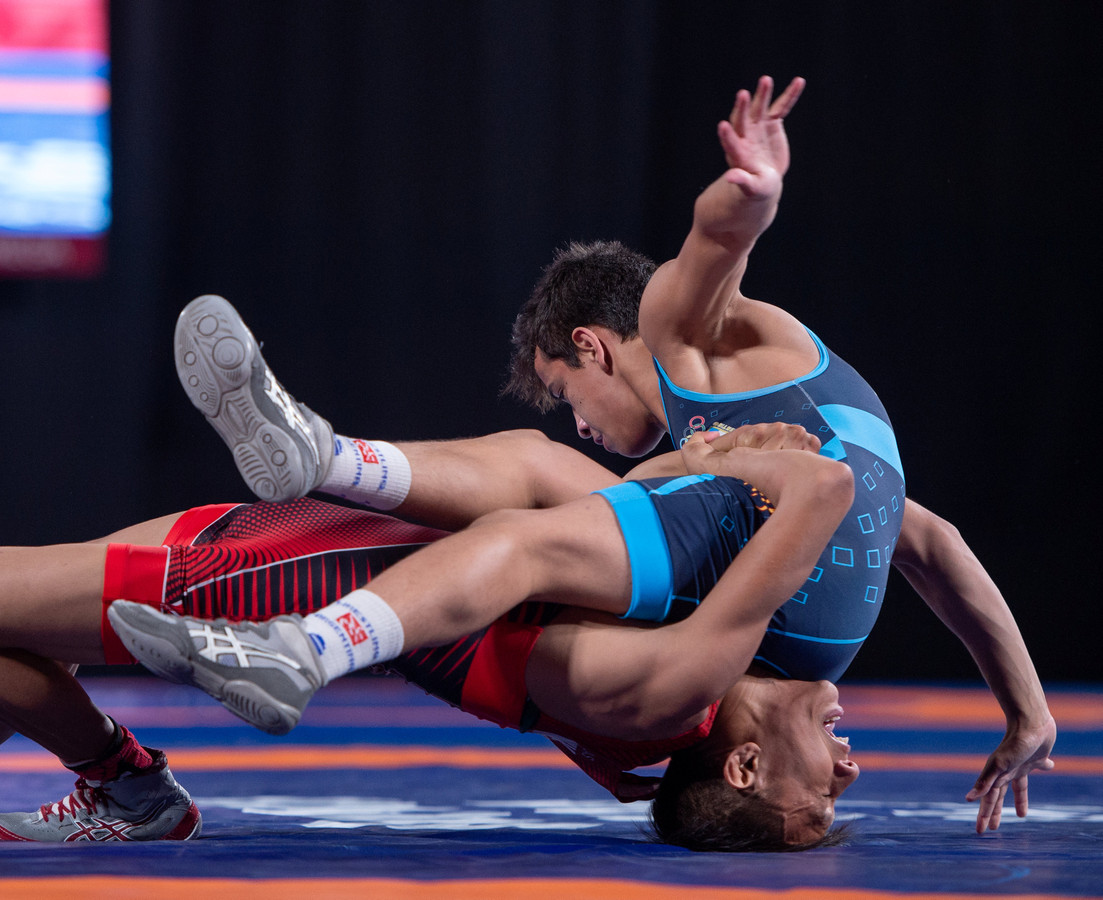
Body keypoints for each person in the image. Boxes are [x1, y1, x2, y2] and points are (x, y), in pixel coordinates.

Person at [155, 75, 1054, 833]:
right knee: (563, 477)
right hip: (759, 632)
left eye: (567, 393)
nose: (580, 420)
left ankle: (326, 483)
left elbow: (716, 244)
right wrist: (1026, 709)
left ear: (590, 346)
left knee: (543, 477)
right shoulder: (735, 419)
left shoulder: (683, 337)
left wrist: (753, 190)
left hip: (748, 635)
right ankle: (323, 470)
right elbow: (931, 543)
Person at [0, 426, 858, 850]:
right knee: (33, 620)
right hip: (312, 546)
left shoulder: (680, 685)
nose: (849, 766)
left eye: (825, 791)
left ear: (747, 766)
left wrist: (736, 457)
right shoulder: (672, 698)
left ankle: (126, 786)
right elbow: (607, 497)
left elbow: (824, 484)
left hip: (285, 581)